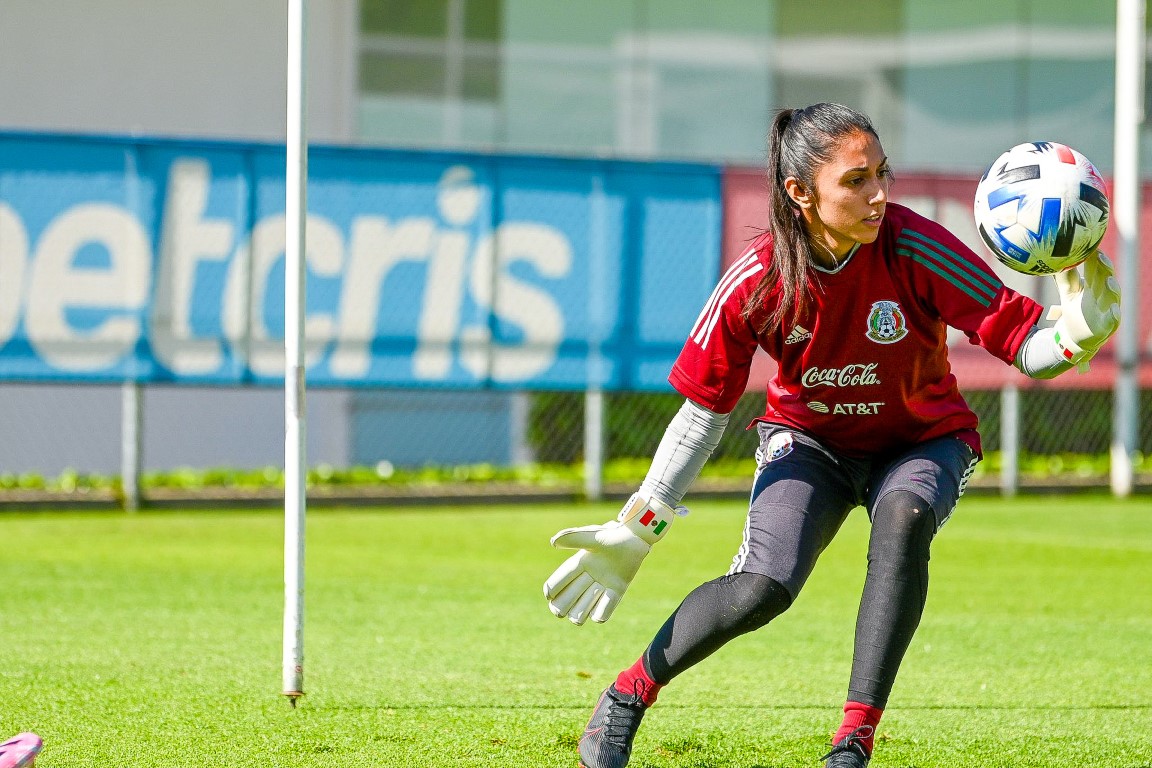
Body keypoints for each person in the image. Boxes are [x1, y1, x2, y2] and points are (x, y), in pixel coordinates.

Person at [542, 102, 1122, 768]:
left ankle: (852, 743)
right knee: (762, 587)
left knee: (903, 516)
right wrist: (639, 526)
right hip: (809, 443)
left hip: (923, 440)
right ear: (799, 194)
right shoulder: (755, 282)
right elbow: (705, 413)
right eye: (855, 181)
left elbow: (1023, 345)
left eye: (882, 173)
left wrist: (1079, 333)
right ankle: (624, 698)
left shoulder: (917, 245)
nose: (879, 194)